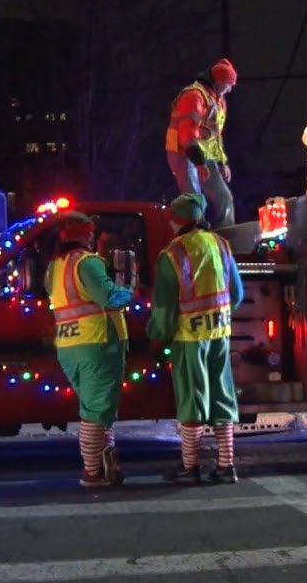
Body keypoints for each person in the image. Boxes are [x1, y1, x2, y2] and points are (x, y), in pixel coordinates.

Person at [147, 193, 245, 483]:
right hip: (220, 334)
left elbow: (164, 308)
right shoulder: (221, 244)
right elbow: (236, 294)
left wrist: (157, 337)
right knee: (222, 395)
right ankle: (226, 466)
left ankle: (190, 467)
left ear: (180, 221)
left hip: (189, 337)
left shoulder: (172, 254)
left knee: (192, 400)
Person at [45, 212, 134, 487]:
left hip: (69, 345)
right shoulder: (88, 263)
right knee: (96, 412)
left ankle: (105, 460)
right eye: (90, 232)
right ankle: (91, 473)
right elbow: (109, 296)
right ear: (85, 235)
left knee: (94, 407)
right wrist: (132, 289)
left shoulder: (54, 267)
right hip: (97, 343)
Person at [165, 59, 238, 228]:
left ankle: (225, 236)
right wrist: (198, 164)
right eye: (229, 84)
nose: (230, 89)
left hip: (202, 154)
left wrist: (221, 163)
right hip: (182, 152)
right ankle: (197, 233)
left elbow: (215, 137)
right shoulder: (193, 96)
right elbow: (187, 134)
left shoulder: (218, 101)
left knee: (223, 197)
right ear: (219, 82)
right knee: (194, 199)